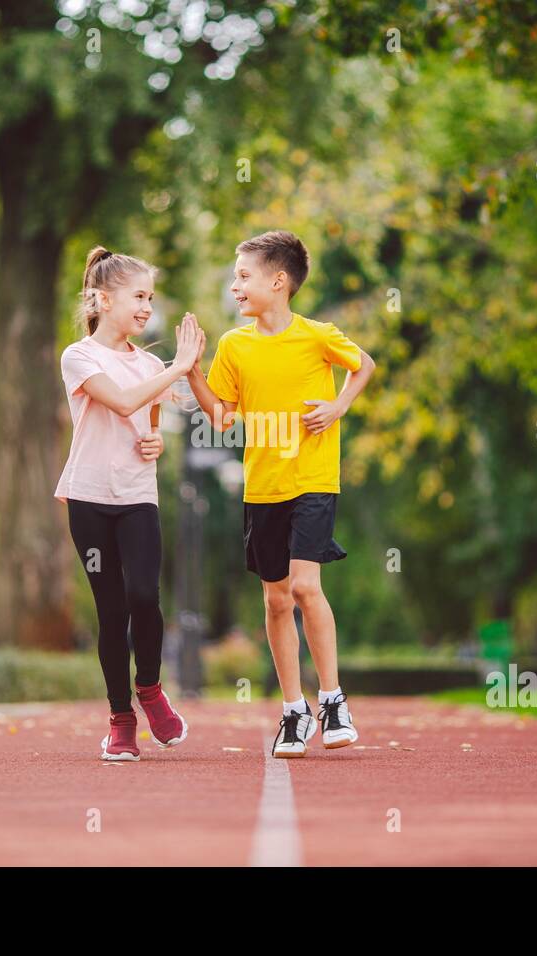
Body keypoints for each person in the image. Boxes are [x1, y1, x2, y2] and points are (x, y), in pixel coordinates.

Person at [184, 230, 376, 758]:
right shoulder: (235, 345)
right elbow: (221, 415)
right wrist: (193, 370)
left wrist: (338, 407)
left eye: (243, 276)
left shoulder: (318, 336)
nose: (235, 286)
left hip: (313, 481)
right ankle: (294, 710)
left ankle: (332, 700)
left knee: (305, 588)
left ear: (279, 281)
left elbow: (365, 365)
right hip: (262, 487)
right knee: (274, 597)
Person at [54, 246, 202, 762]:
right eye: (138, 296)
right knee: (111, 611)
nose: (146, 308)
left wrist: (157, 440)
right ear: (102, 298)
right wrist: (179, 366)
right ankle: (121, 721)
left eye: (150, 298)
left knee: (145, 596)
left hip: (138, 496)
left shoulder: (149, 362)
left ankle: (151, 690)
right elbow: (120, 402)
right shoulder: (80, 356)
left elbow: (150, 420)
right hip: (90, 497)